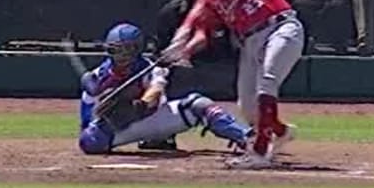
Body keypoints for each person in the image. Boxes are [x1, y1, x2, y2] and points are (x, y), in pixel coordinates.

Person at [160, 0, 304, 168]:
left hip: (279, 27)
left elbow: (204, 3)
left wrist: (180, 36)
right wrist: (182, 51)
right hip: (250, 41)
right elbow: (203, 32)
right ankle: (282, 131)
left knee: (267, 83)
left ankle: (259, 153)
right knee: (247, 107)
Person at [77, 22, 254, 155]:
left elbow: (155, 92)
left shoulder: (151, 69)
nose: (121, 57)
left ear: (137, 49)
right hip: (118, 127)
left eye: (126, 50)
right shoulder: (97, 76)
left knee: (199, 104)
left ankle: (247, 138)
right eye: (116, 51)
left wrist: (140, 105)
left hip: (152, 118)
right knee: (91, 141)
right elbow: (87, 123)